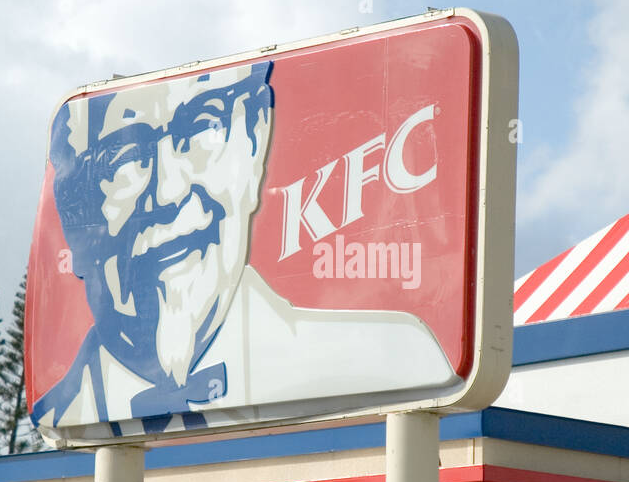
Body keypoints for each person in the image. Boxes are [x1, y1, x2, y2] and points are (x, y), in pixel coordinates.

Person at [31, 60, 454, 440]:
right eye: (122, 157)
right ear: (74, 217)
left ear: (254, 149)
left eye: (200, 129)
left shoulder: (396, 361)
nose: (169, 191)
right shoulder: (62, 419)